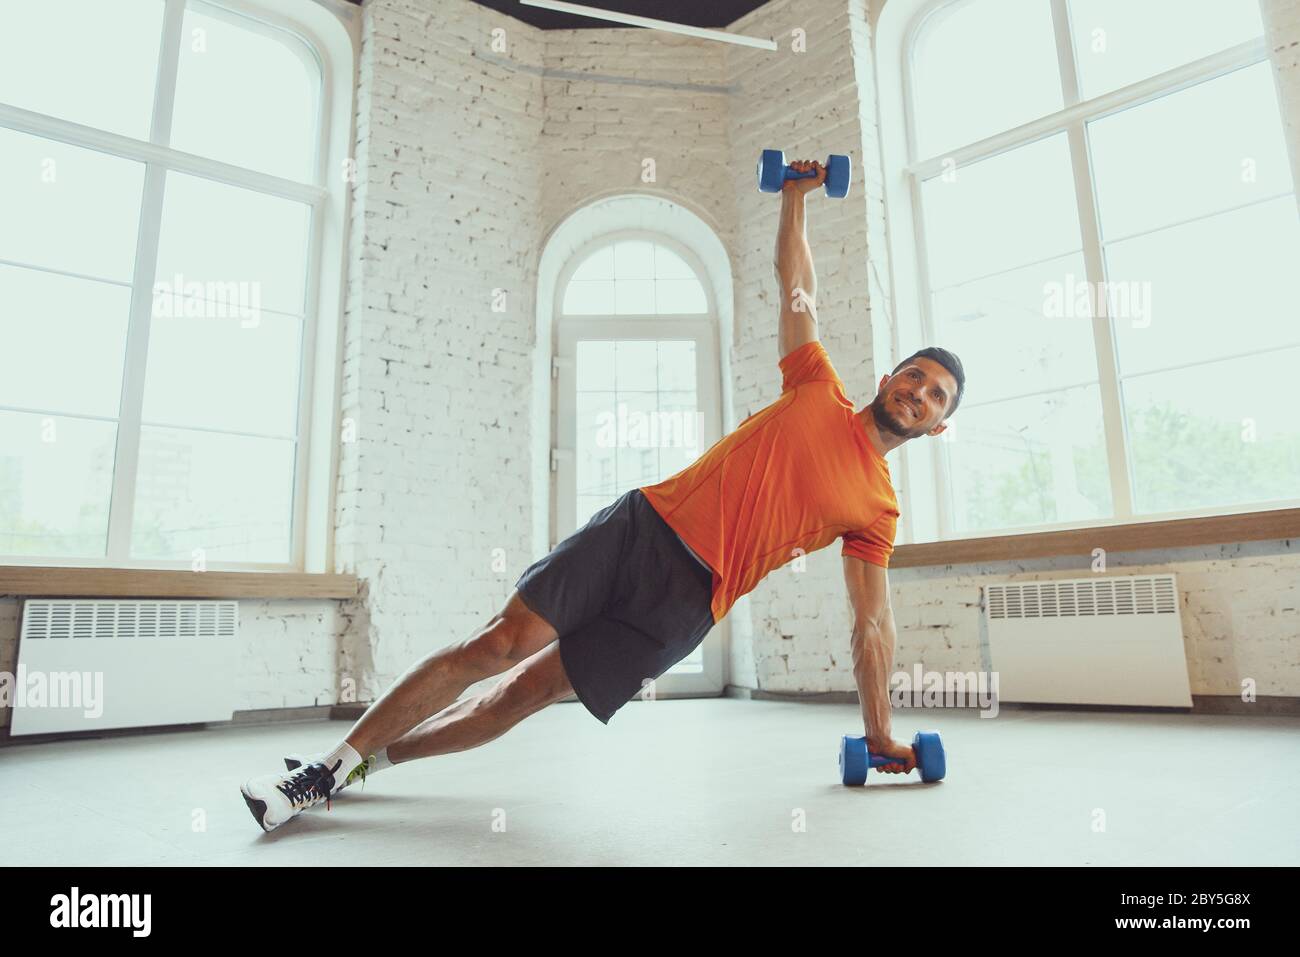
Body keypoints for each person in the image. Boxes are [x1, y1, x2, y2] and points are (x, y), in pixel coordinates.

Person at [241, 159, 966, 832]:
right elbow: (796, 284)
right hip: (642, 528)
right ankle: (323, 769)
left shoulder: (877, 508)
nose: (919, 392)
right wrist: (794, 198)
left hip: (688, 603)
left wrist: (877, 732)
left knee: (519, 696)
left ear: (935, 427)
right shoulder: (815, 382)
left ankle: (369, 762)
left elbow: (873, 625)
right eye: (914, 376)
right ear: (886, 379)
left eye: (936, 396)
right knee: (497, 646)